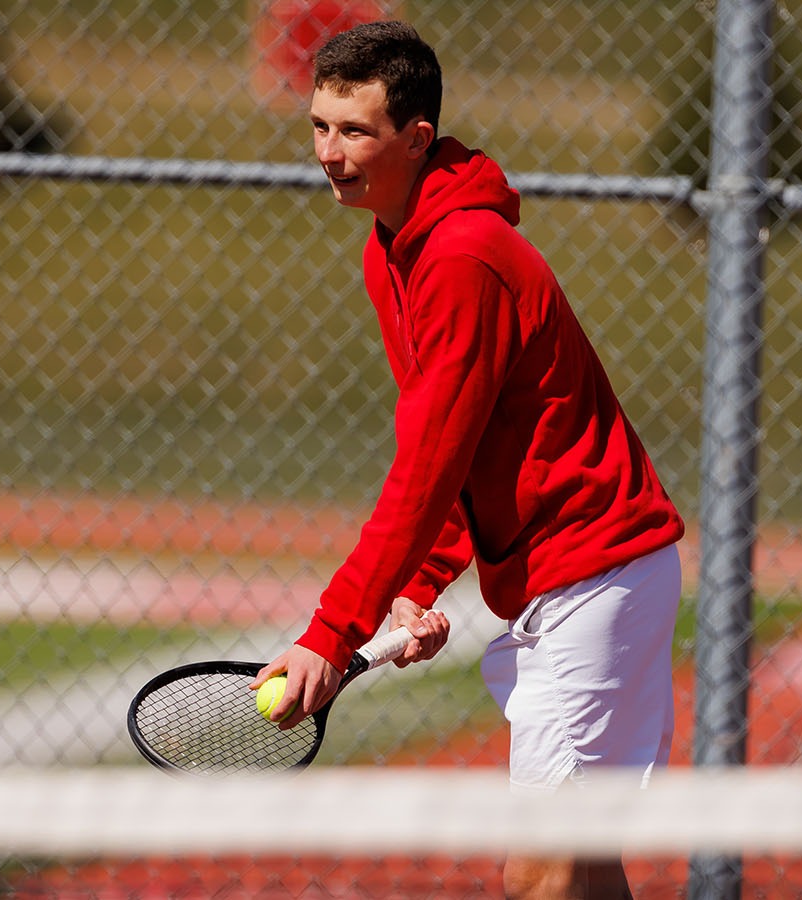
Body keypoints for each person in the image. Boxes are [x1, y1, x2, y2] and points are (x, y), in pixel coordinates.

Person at [249, 20, 686, 899]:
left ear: (415, 138)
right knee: (584, 869)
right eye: (320, 127)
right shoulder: (394, 251)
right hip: (566, 578)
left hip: (591, 577)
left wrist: (333, 634)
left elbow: (424, 466)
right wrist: (423, 583)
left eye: (355, 132)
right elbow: (456, 443)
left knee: (537, 873)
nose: (330, 154)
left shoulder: (461, 257)